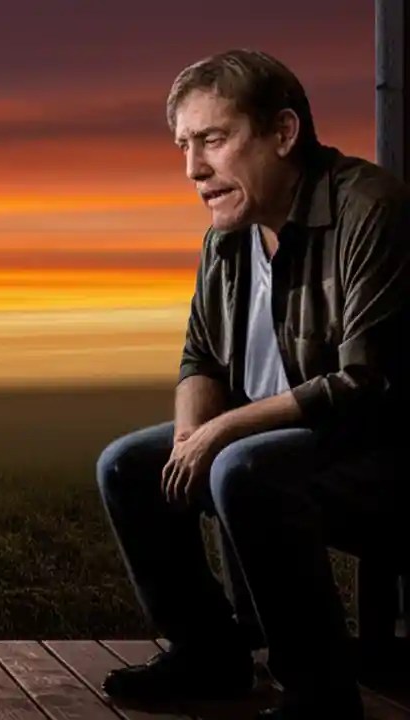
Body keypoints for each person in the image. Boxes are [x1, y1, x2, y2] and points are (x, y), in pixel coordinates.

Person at [94, 48, 409, 720]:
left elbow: (363, 383)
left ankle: (320, 695)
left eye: (213, 139)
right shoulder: (227, 238)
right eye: (184, 146)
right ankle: (209, 654)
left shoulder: (371, 209)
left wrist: (222, 432)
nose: (193, 168)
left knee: (241, 466)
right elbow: (201, 359)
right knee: (126, 466)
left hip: (377, 445)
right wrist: (190, 437)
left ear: (283, 133)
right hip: (286, 438)